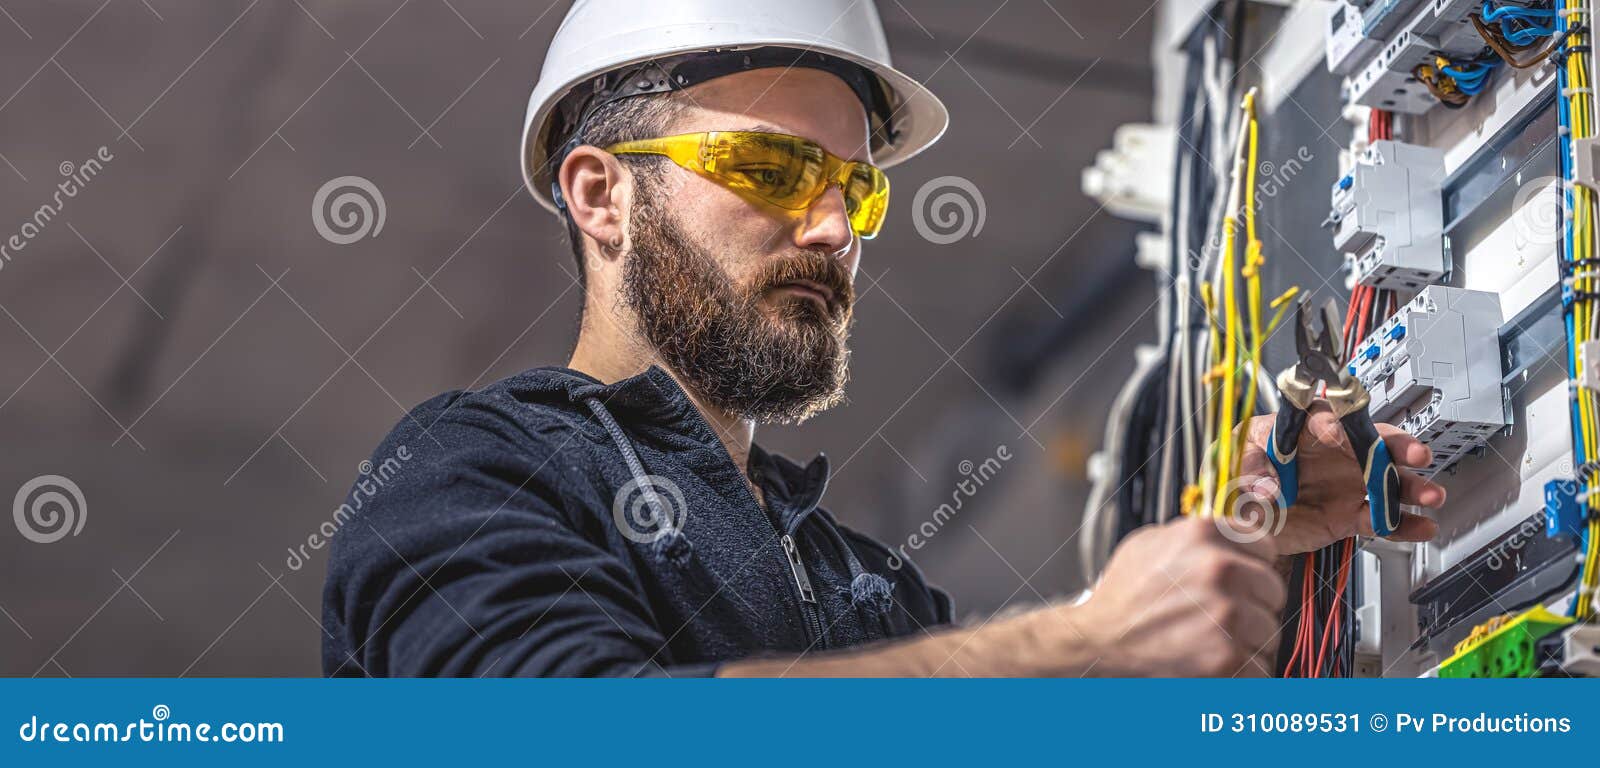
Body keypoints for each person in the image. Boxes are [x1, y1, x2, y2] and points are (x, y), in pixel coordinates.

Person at [321, 0, 1446, 677]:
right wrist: (1083, 642)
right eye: (768, 169)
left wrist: (1258, 536)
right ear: (601, 197)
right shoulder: (468, 473)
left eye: (854, 193)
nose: (828, 227)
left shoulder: (863, 588)